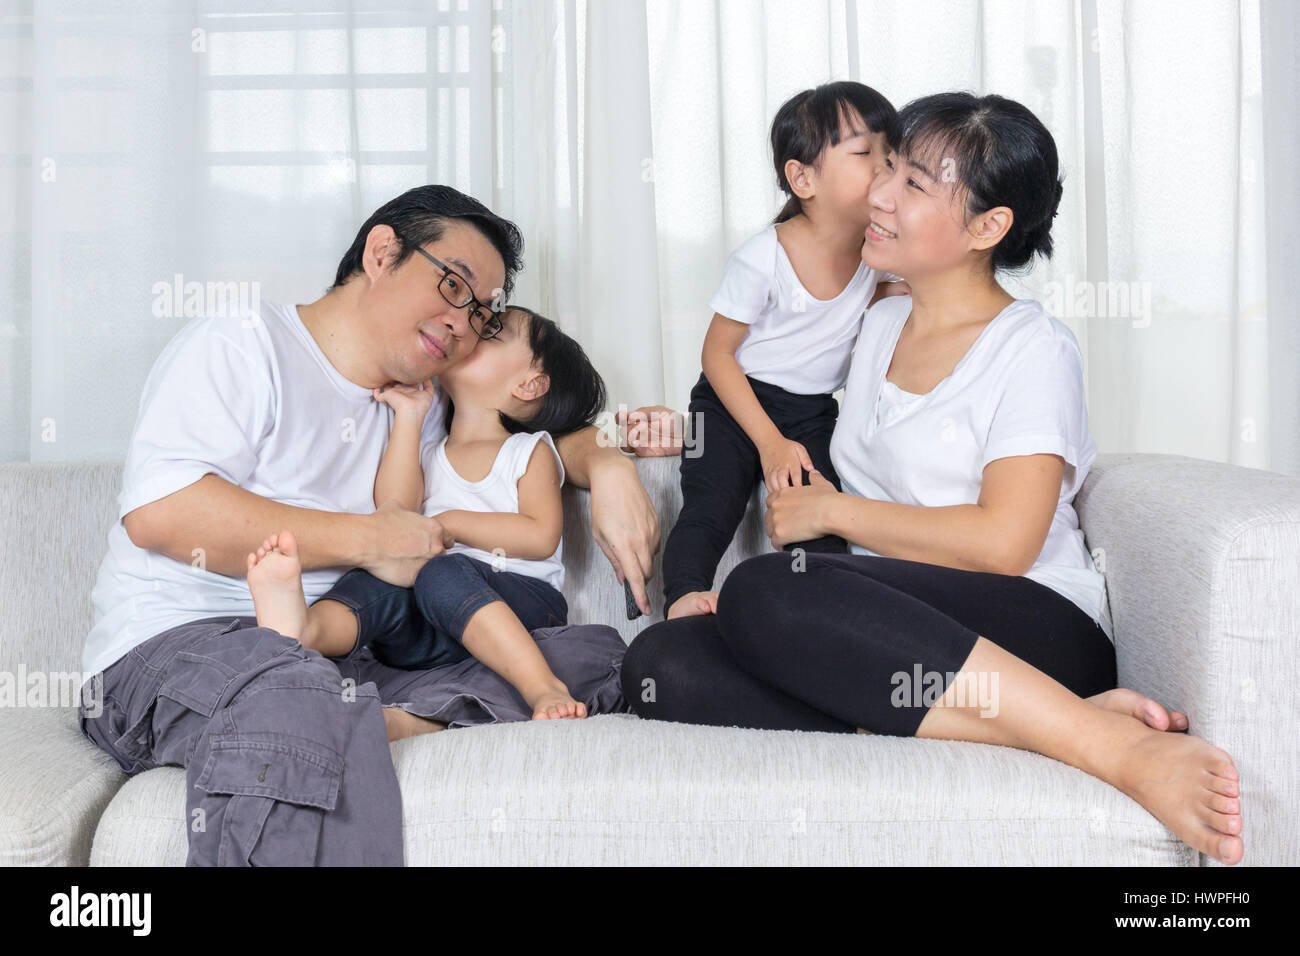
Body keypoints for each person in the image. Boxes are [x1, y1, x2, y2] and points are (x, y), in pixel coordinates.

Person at [622, 93, 1245, 866]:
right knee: (661, 665)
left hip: (1035, 625)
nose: (880, 194)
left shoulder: (1033, 349)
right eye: (888, 167)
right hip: (883, 626)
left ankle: (1106, 745)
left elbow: (1005, 543)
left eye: (914, 183)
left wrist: (834, 511)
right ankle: (1023, 722)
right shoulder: (878, 322)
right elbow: (769, 373)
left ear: (988, 227)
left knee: (767, 587)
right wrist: (651, 434)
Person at [79, 185, 662, 866]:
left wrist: (610, 464)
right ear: (382, 252)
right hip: (185, 642)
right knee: (288, 690)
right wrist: (372, 538)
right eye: (453, 285)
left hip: (351, 653)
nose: (463, 323)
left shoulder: (430, 404)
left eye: (482, 312)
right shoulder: (243, 342)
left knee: (591, 657)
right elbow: (163, 514)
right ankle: (353, 720)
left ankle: (376, 722)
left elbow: (541, 432)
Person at [247, 306, 606, 721]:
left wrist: (449, 524)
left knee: (441, 572)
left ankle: (541, 685)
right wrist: (411, 417)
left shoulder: (528, 451)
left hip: (524, 604)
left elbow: (541, 536)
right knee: (380, 576)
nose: (473, 332)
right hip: (438, 626)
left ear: (530, 384)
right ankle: (306, 631)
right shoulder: (434, 451)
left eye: (494, 331)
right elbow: (394, 510)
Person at [662, 81, 900, 619]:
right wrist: (769, 444)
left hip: (813, 410)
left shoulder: (876, 254)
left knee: (821, 521)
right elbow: (717, 356)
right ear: (803, 178)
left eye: (891, 155)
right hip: (730, 402)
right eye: (866, 154)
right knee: (711, 505)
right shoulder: (763, 256)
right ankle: (681, 601)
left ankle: (815, 623)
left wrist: (895, 290)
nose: (885, 168)